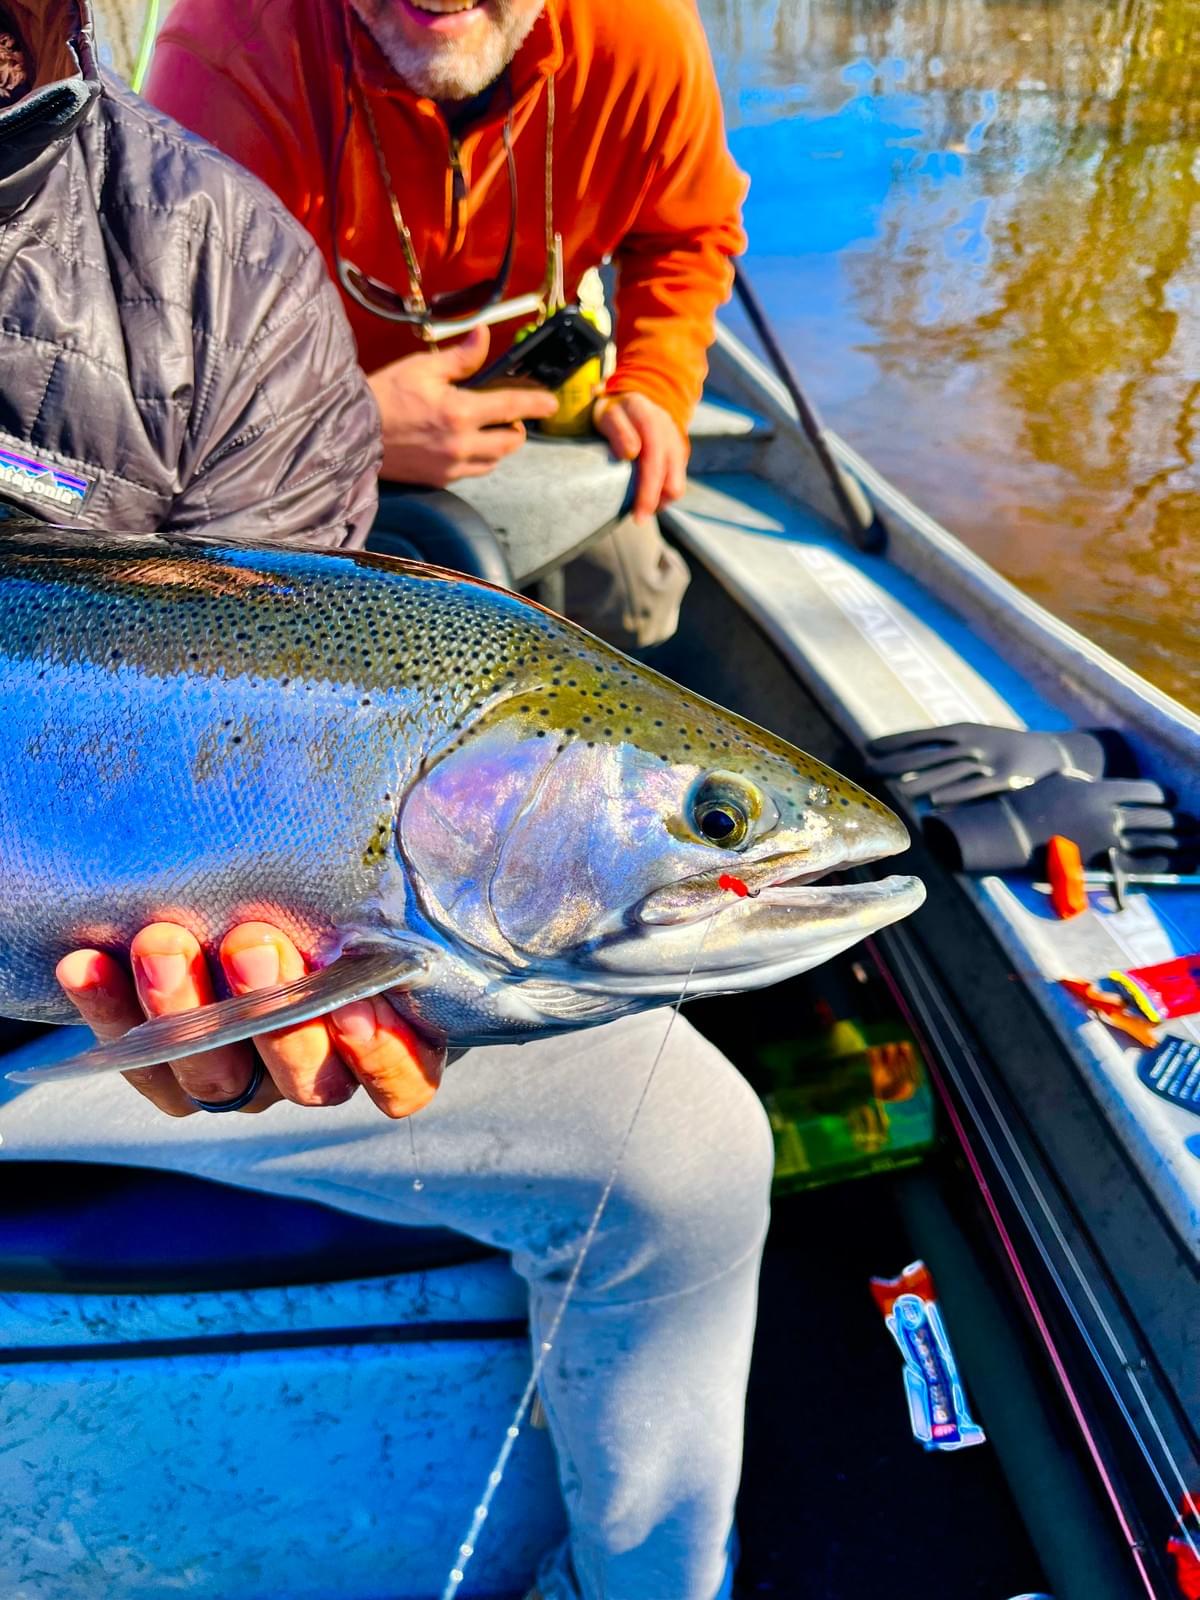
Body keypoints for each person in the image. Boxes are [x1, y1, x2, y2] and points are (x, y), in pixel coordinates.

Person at [0, 8, 773, 1598]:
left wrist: (659, 376)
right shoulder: (239, 46)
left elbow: (689, 238)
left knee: (682, 1147)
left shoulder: (213, 253)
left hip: (66, 1025)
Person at [146, 0, 749, 647]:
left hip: (522, 396)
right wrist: (346, 424)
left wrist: (654, 377)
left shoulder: (646, 30)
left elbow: (686, 233)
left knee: (636, 603)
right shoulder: (225, 52)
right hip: (294, 434)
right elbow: (159, 390)